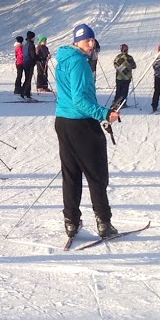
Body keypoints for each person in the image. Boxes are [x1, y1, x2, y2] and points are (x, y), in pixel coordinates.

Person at [54, 22, 122, 241]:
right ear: (76, 42)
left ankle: (71, 222)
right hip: (81, 124)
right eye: (87, 40)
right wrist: (104, 114)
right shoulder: (79, 64)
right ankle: (104, 222)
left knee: (71, 174)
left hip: (63, 122)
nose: (91, 44)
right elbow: (80, 101)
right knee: (96, 175)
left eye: (92, 40)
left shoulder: (63, 60)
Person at [21, 31, 38, 98]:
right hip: (29, 63)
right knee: (28, 79)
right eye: (34, 37)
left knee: (27, 78)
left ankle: (26, 93)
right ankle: (24, 93)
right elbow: (33, 55)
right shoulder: (31, 45)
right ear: (32, 37)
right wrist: (38, 58)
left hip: (25, 63)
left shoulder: (26, 44)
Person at [12, 33, 27, 99]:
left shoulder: (20, 46)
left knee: (20, 75)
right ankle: (17, 88)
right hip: (20, 62)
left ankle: (18, 87)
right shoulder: (19, 47)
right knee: (19, 75)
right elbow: (21, 55)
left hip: (20, 62)